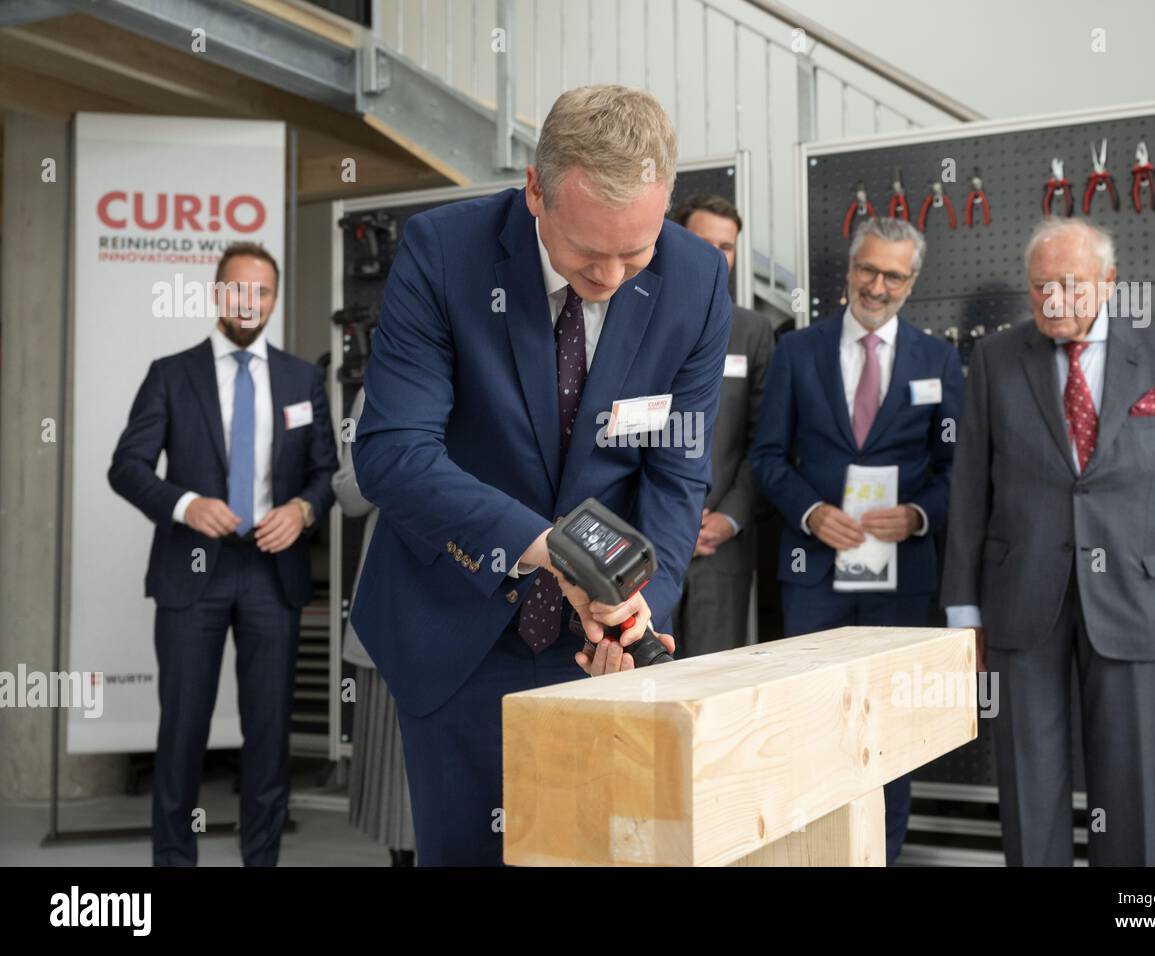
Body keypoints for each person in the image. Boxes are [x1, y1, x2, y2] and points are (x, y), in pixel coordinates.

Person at [349, 85, 731, 866]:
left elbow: (677, 472)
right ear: (535, 190)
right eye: (589, 252)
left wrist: (638, 607)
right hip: (455, 622)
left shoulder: (696, 279)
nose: (614, 276)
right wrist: (553, 551)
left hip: (597, 639)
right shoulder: (444, 253)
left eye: (637, 251)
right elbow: (393, 454)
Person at [941, 218, 1155, 866]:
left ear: (1109, 281)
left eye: (1069, 285)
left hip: (1134, 596)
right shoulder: (995, 359)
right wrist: (963, 611)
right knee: (1028, 781)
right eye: (1040, 287)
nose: (1053, 300)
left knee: (1127, 782)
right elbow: (969, 490)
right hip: (1019, 599)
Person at [108, 243, 337, 866]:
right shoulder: (170, 374)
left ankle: (261, 860)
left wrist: (302, 510)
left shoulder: (301, 379)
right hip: (192, 570)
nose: (250, 303)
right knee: (182, 729)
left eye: (262, 292)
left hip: (271, 571)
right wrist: (185, 505)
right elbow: (127, 467)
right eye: (239, 290)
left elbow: (325, 472)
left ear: (275, 299)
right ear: (216, 295)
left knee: (269, 731)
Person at [751, 217, 963, 864]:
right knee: (813, 725)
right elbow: (766, 457)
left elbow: (957, 467)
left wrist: (918, 516)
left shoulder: (938, 359)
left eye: (893, 275)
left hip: (903, 578)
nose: (877, 286)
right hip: (815, 575)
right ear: (848, 270)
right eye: (867, 269)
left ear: (912, 282)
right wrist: (811, 513)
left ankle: (883, 856)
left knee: (890, 731)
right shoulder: (797, 351)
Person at [668, 194, 774, 656]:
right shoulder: (634, 319)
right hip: (646, 546)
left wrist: (729, 518)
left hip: (720, 548)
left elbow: (764, 441)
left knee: (716, 684)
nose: (715, 256)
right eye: (702, 242)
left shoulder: (753, 332)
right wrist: (665, 519)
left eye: (726, 247)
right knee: (641, 684)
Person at [331, 388, 416, 866]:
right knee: (394, 776)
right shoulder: (381, 389)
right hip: (395, 604)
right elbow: (348, 494)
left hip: (481, 599)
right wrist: (399, 455)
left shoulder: (495, 377)